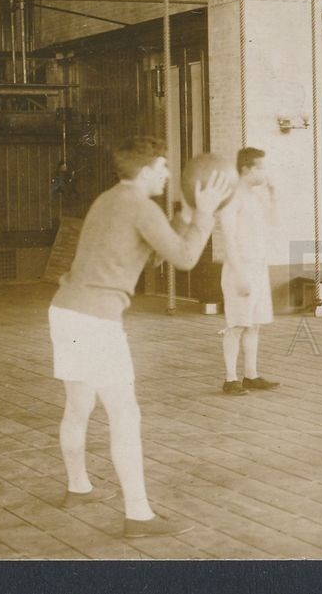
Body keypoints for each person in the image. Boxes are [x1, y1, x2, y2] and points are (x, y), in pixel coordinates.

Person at [48, 135, 232, 539]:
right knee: (125, 414)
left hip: (65, 309)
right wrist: (204, 215)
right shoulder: (140, 205)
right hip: (95, 320)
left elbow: (151, 251)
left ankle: (78, 488)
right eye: (164, 168)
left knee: (79, 405)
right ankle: (138, 515)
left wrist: (186, 216)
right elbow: (184, 259)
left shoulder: (109, 200)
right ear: (147, 170)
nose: (169, 175)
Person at [218, 147, 280, 395]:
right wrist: (240, 274)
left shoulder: (256, 197)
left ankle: (250, 375)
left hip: (257, 266)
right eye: (261, 167)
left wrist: (273, 194)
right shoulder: (231, 197)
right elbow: (229, 239)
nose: (265, 172)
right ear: (247, 170)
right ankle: (230, 379)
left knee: (254, 324)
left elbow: (274, 225)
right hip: (239, 268)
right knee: (236, 324)